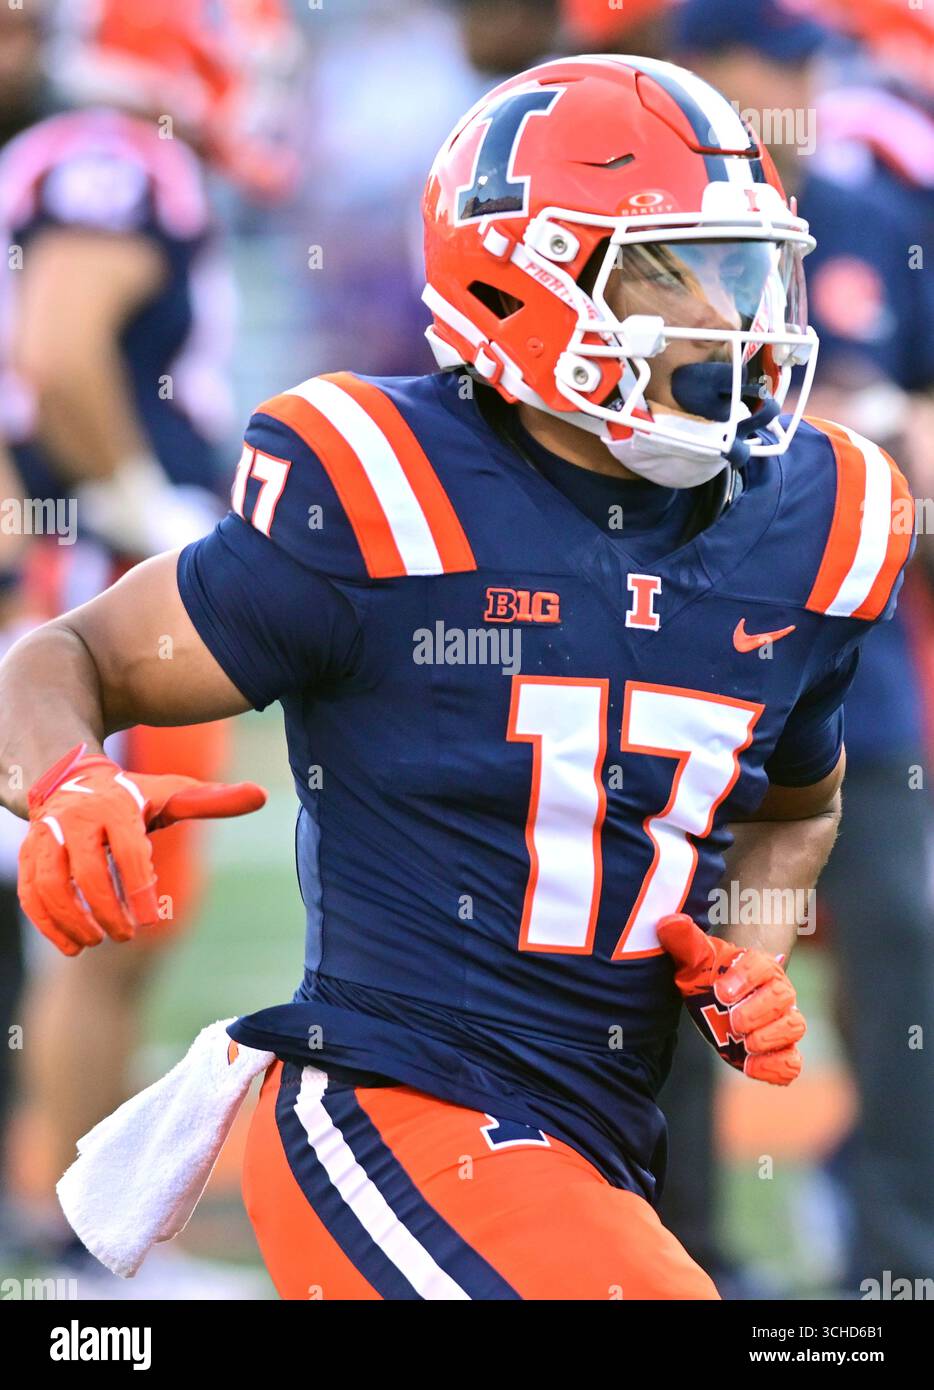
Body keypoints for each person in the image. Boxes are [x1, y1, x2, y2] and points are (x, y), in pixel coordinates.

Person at [0, 54, 912, 1300]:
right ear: (518, 277)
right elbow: (68, 655)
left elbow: (797, 808)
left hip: (596, 1141)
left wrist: (748, 940)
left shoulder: (822, 517)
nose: (731, 318)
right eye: (673, 269)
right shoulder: (381, 489)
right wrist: (64, 778)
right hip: (386, 1106)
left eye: (748, 268)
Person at [0, 0, 297, 1294]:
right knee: (101, 912)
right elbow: (60, 352)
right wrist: (140, 503)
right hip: (91, 587)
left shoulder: (79, 150)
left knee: (101, 912)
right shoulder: (118, 154)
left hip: (61, 570)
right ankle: (74, 1244)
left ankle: (62, 1222)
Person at [675, 0, 934, 1294]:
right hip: (670, 658)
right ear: (699, 62)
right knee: (660, 961)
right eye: (769, 57)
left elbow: (900, 455)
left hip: (850, 670)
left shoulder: (863, 209)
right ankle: (675, 1257)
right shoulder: (651, 225)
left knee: (904, 938)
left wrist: (877, 422)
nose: (795, 84)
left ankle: (893, 1255)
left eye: (802, 58)